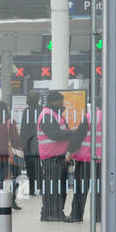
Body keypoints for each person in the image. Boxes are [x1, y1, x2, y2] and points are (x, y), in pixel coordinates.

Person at [37, 90, 87, 222]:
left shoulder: (54, 114)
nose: (62, 103)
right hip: (51, 157)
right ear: (53, 101)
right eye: (60, 101)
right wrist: (75, 133)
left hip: (58, 156)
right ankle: (50, 214)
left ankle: (56, 212)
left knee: (59, 186)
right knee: (53, 186)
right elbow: (55, 134)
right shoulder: (47, 115)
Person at [66, 106, 102, 223]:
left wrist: (70, 151)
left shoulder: (90, 117)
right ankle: (98, 216)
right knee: (99, 189)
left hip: (86, 159)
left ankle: (76, 215)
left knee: (80, 188)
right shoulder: (113, 117)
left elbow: (78, 135)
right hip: (103, 161)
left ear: (97, 106)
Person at [0, 100, 22, 211]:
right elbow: (16, 139)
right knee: (16, 177)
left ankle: (0, 203)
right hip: (9, 154)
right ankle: (12, 200)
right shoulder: (10, 122)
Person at [19, 91, 42, 197]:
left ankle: (32, 189)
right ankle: (41, 187)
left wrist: (23, 144)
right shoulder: (42, 110)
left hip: (29, 144)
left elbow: (24, 129)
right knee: (40, 167)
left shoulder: (27, 111)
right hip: (41, 143)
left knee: (30, 167)